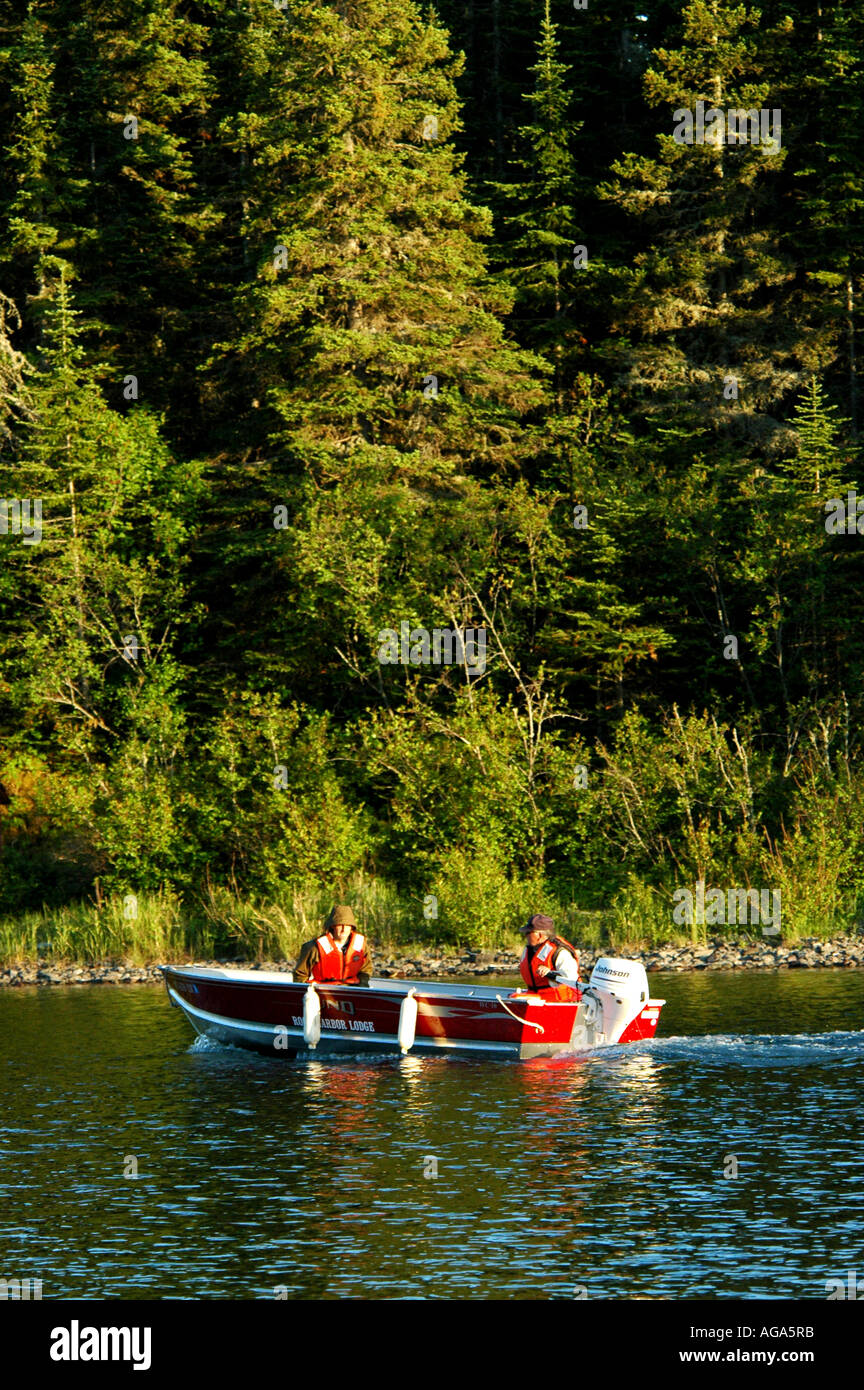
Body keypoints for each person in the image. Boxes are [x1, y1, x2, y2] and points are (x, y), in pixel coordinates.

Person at [294, 905, 372, 986]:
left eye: (347, 925)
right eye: (340, 925)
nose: (343, 929)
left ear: (352, 927)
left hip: (352, 989)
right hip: (324, 990)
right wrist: (307, 993)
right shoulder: (314, 947)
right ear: (332, 926)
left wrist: (362, 985)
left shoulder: (361, 945)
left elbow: (366, 970)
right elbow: (300, 975)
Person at [518, 914, 580, 999]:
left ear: (540, 935)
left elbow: (571, 978)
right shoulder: (528, 949)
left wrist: (550, 973)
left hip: (561, 1000)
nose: (525, 935)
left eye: (528, 932)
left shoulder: (560, 952)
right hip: (536, 998)